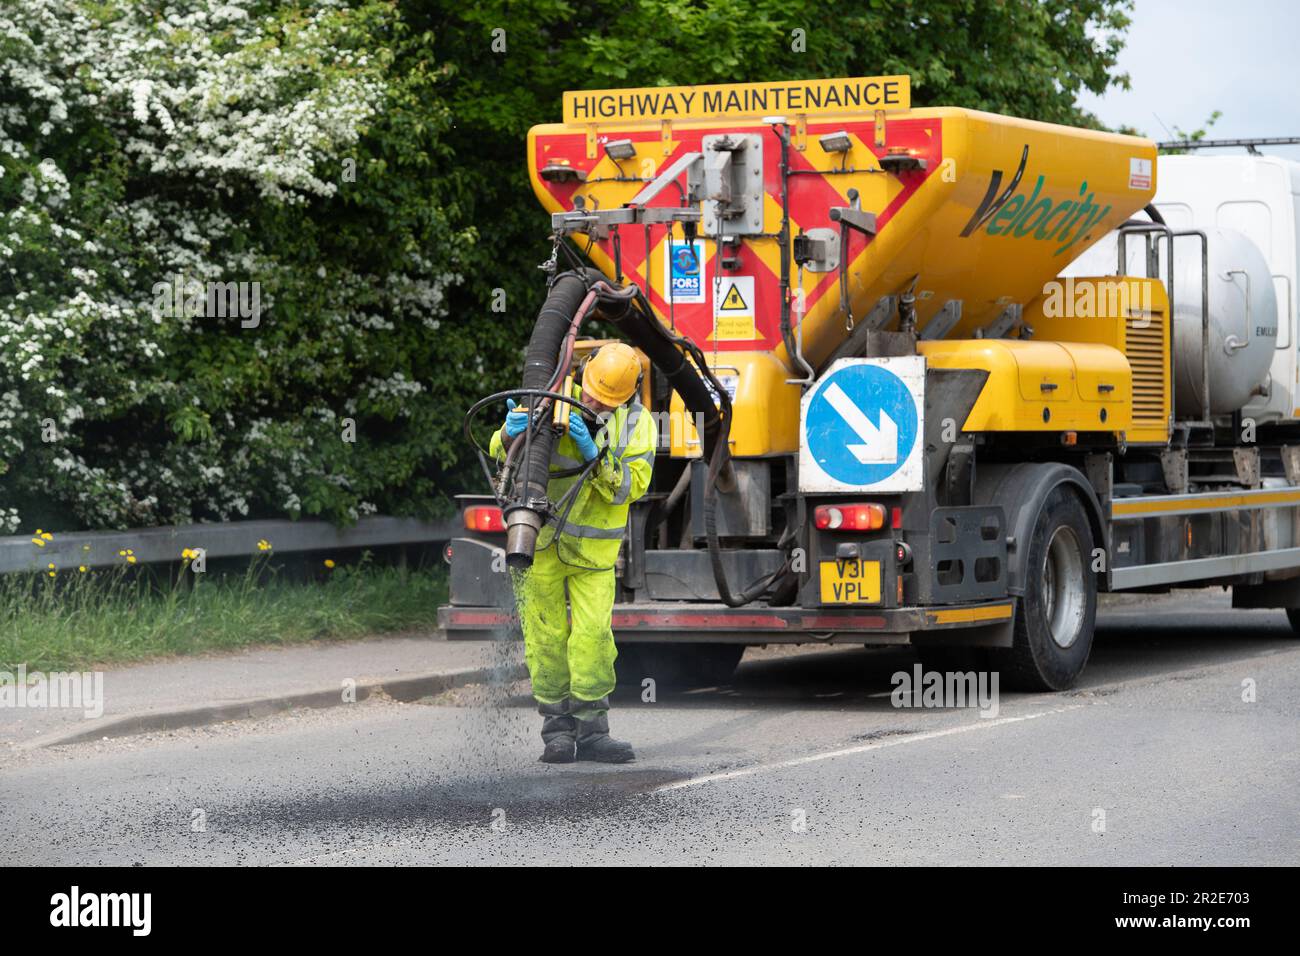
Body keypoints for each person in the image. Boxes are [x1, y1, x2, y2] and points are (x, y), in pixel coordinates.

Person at [490, 342, 657, 763]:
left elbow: (631, 487)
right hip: (539, 547)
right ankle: (556, 732)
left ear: (626, 397)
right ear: (584, 375)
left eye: (604, 399)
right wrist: (510, 430)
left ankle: (593, 731)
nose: (593, 401)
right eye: (590, 391)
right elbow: (499, 454)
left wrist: (594, 454)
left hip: (593, 556)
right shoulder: (550, 390)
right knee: (545, 640)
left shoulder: (637, 424)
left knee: (593, 640)